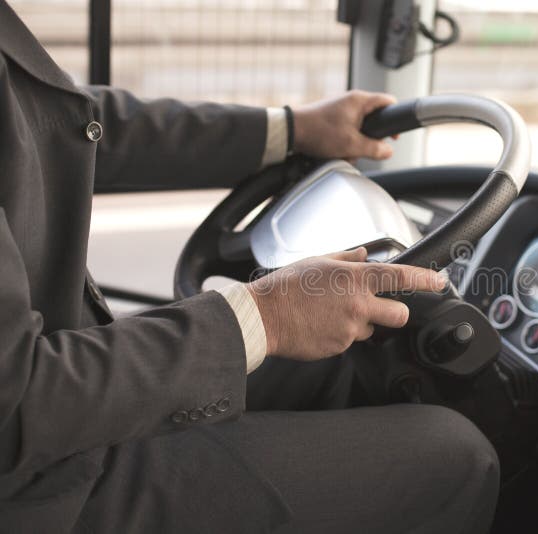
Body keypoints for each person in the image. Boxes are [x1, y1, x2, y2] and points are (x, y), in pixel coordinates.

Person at [0, 2, 500, 533]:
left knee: (344, 360)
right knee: (458, 457)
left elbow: (63, 124)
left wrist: (290, 130)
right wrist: (266, 316)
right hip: (45, 491)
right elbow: (16, 403)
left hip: (57, 421)